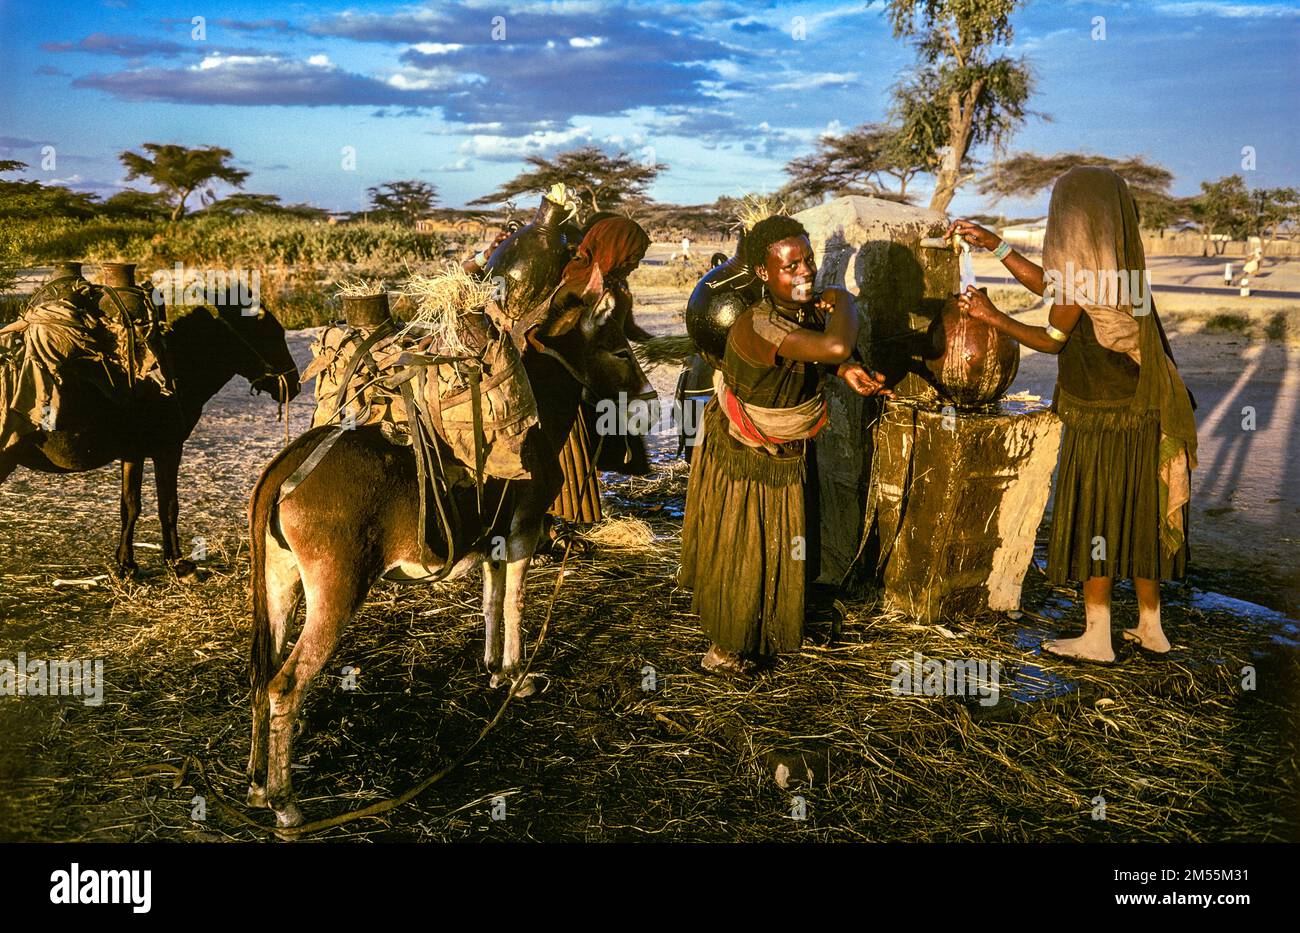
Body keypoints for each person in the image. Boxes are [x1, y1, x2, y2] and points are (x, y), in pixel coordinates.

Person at [946, 166, 1197, 662]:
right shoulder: (1123, 276)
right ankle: (1152, 627)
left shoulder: (1079, 287)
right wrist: (995, 244)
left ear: (1068, 221)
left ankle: (1097, 636)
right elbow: (1052, 286)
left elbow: (1051, 338)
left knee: (1098, 518)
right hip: (1145, 412)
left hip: (1103, 420)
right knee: (1143, 518)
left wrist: (990, 316)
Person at [678, 215, 892, 675]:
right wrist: (846, 300)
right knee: (744, 546)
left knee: (775, 544)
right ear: (762, 274)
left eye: (808, 261)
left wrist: (844, 372)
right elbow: (832, 346)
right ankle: (724, 649)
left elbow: (815, 356)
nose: (805, 272)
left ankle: (765, 624)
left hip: (778, 449)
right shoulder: (760, 324)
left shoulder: (796, 313)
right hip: (748, 454)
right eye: (790, 266)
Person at [544, 216, 653, 540]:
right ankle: (551, 527)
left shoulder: (615, 285)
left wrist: (660, 346)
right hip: (572, 381)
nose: (636, 264)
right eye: (633, 256)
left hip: (600, 376)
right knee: (570, 458)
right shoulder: (580, 283)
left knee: (595, 449)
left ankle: (565, 525)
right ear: (616, 250)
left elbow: (626, 328)